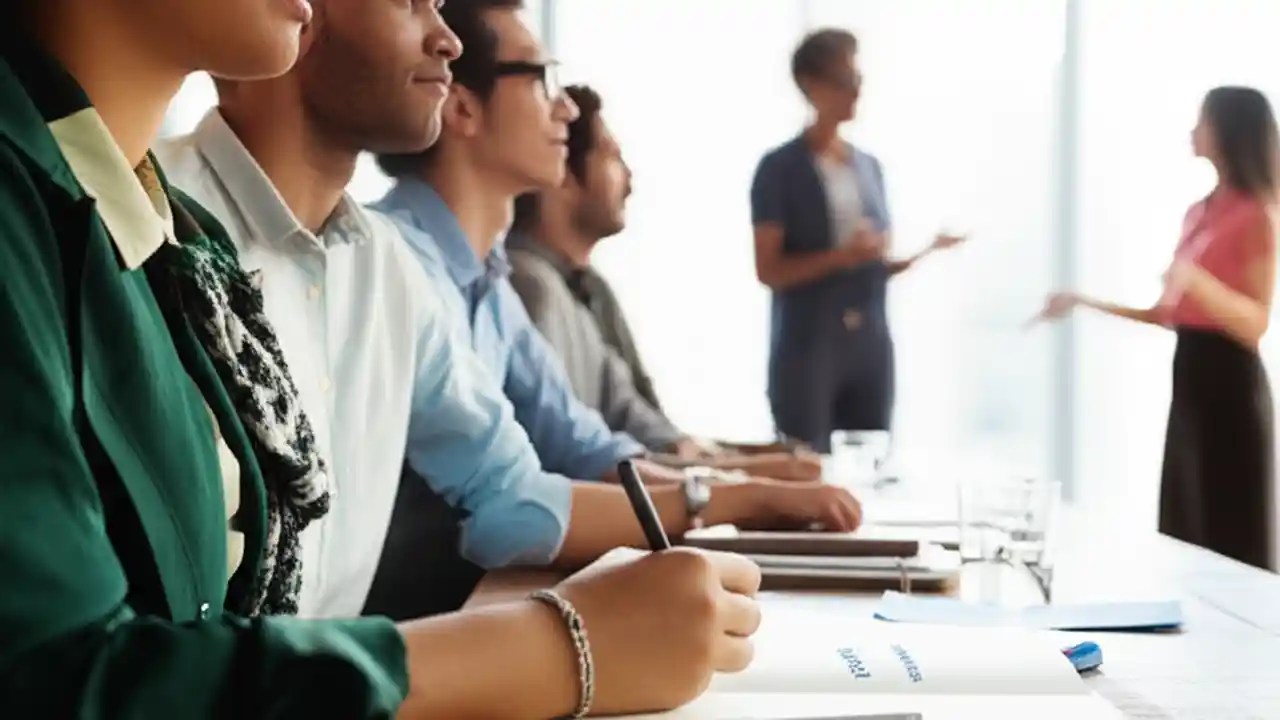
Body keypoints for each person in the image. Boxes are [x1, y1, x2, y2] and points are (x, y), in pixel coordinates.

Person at [0, 1, 771, 716]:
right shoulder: (87, 222)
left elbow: (510, 486)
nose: (449, 40)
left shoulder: (182, 236)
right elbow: (64, 676)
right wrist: (561, 644)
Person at [157, 0, 842, 621]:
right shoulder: (145, 219)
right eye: (408, 2)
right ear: (300, 14)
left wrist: (728, 498)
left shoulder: (387, 264)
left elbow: (510, 492)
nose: (446, 40)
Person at [371, 0, 863, 534]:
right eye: (541, 79)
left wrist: (749, 489)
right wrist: (744, 498)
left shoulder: (489, 282)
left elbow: (590, 449)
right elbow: (508, 501)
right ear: (462, 108)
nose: (567, 110)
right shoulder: (398, 265)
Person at [506, 84, 822, 482]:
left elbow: (638, 423)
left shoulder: (582, 287)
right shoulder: (530, 288)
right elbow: (571, 458)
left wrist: (746, 463)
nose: (630, 176)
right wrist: (745, 479)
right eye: (612, 156)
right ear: (562, 171)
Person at [1039, 87, 1278, 570]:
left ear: (1226, 131)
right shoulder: (1199, 211)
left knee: (1233, 531)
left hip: (1231, 386)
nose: (1194, 131)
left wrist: (1198, 281)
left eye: (1202, 121)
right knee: (1187, 527)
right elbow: (1166, 313)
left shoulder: (1258, 214)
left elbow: (1255, 323)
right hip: (1189, 378)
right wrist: (1082, 301)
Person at [750, 29, 966, 453]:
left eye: (858, 79)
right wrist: (843, 256)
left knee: (872, 464)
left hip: (868, 342)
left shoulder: (869, 167)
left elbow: (873, 264)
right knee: (806, 467)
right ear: (812, 85)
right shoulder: (779, 169)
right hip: (809, 346)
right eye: (843, 79)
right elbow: (770, 270)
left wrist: (924, 252)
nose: (855, 90)